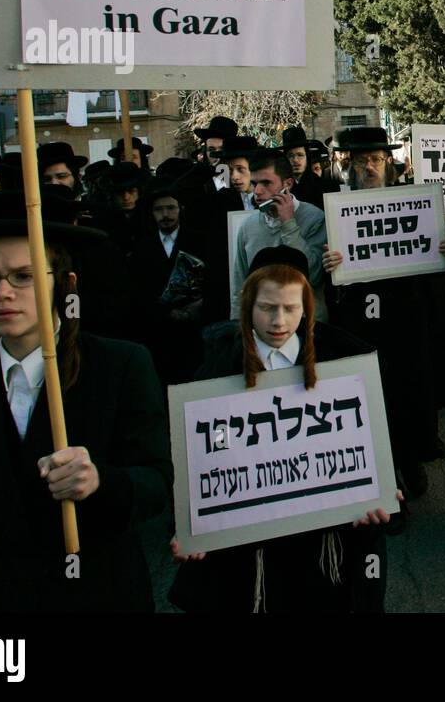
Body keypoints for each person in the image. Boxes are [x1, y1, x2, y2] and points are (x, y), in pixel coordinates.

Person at [0, 189, 172, 611]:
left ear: (65, 284)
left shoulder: (120, 365)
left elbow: (155, 484)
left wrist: (99, 481)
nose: (1, 292)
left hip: (90, 593)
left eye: (24, 276)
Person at [168, 249, 397, 613]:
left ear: (306, 305)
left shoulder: (348, 359)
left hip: (326, 552)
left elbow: (372, 444)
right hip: (249, 555)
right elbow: (195, 460)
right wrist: (190, 524)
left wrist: (380, 492)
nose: (278, 321)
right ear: (247, 305)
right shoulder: (213, 365)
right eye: (267, 307)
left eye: (290, 308)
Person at [322, 127, 443, 510]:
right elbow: (330, 281)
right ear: (349, 167)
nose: (370, 167)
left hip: (405, 318)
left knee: (408, 395)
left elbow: (431, 268)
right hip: (359, 323)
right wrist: (330, 267)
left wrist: (439, 247)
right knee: (372, 403)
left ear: (387, 163)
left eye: (376, 159)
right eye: (361, 162)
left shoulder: (410, 203)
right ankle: (388, 490)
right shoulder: (336, 211)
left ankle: (410, 460)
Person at [229, 149, 326, 319]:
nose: (257, 191)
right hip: (262, 324)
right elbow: (240, 284)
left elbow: (314, 274)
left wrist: (288, 224)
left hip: (307, 323)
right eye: (254, 183)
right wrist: (238, 326)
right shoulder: (248, 225)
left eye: (266, 183)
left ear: (287, 184)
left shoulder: (314, 218)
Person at [128, 185, 207, 385]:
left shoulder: (199, 240)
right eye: (159, 209)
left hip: (194, 329)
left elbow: (211, 281)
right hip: (158, 332)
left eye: (171, 208)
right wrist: (164, 313)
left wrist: (196, 308)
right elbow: (138, 291)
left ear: (180, 209)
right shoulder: (142, 248)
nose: (166, 214)